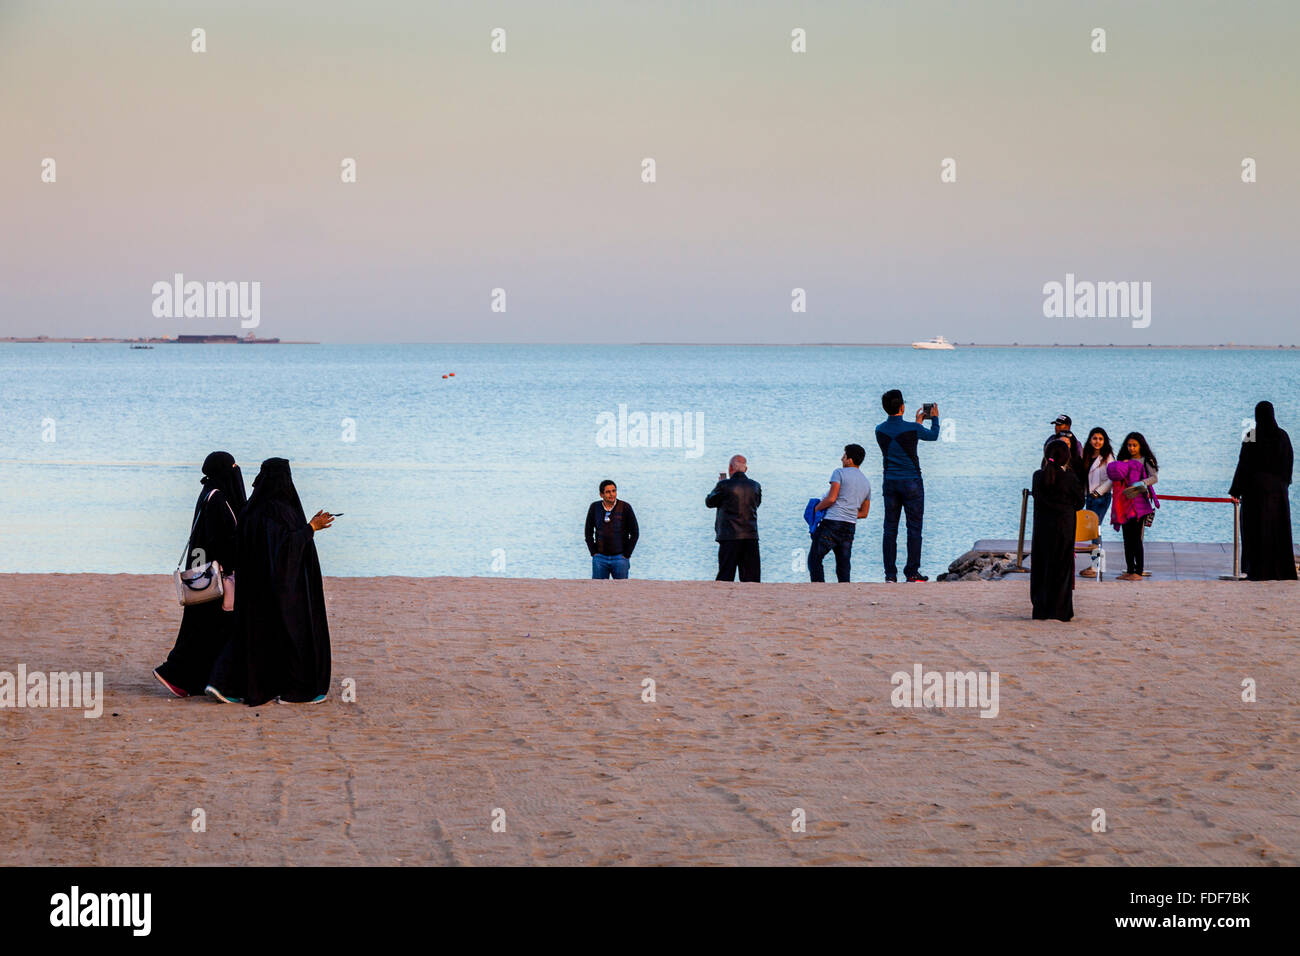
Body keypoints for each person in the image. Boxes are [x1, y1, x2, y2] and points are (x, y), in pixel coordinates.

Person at [205, 458, 335, 705]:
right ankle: (291, 691)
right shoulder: (279, 510)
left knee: (250, 637)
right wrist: (311, 529)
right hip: (277, 591)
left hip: (252, 587)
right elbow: (284, 548)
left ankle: (223, 684)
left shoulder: (251, 508)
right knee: (289, 635)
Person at [153, 452, 247, 697]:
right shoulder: (217, 498)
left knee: (202, 628)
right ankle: (175, 675)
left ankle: (191, 680)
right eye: (233, 466)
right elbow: (222, 539)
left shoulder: (208, 493)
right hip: (215, 577)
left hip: (203, 573)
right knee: (207, 630)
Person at [875, 390, 939, 582]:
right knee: (914, 528)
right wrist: (934, 419)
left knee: (890, 529)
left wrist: (915, 425)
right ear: (902, 407)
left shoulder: (879, 429)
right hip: (911, 483)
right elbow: (933, 435)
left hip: (891, 483)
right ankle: (912, 572)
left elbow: (900, 440)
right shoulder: (913, 429)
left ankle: (890, 575)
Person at [1229, 401, 1296, 581]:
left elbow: (1244, 464)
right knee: (1278, 530)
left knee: (1255, 530)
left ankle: (1257, 569)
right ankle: (1280, 570)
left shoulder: (1252, 435)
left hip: (1255, 491)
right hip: (1278, 492)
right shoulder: (1283, 436)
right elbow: (1289, 461)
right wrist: (1283, 484)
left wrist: (1236, 489)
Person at [1031, 440, 1084, 620]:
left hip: (1042, 528)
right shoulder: (1070, 477)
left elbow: (1038, 499)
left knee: (1042, 566)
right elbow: (1080, 503)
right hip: (1064, 527)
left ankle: (1041, 609)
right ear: (1067, 457)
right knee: (1062, 568)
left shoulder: (1038, 476)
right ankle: (1061, 610)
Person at [808, 444, 872, 582]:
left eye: (843, 456)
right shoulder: (866, 482)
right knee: (843, 564)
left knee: (814, 558)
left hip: (832, 523)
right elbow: (864, 513)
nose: (841, 459)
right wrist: (848, 513)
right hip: (850, 526)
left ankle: (818, 587)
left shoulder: (839, 473)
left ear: (850, 459)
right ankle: (845, 589)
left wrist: (815, 509)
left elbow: (831, 498)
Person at [1107, 434, 1159, 581]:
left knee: (1136, 539)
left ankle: (1139, 571)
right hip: (1124, 503)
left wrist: (1141, 483)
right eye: (1129, 445)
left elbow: (1154, 477)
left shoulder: (1146, 460)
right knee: (1127, 538)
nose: (1131, 448)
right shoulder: (1124, 459)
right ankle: (1130, 569)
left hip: (1139, 505)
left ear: (1141, 446)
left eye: (1134, 445)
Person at [706, 455, 761, 582]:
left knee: (726, 575)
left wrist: (719, 484)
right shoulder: (755, 486)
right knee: (751, 579)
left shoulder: (724, 485)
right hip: (750, 535)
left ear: (730, 468)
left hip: (729, 536)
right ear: (745, 469)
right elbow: (756, 504)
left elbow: (709, 502)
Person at [1078, 427, 1115, 578]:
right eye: (1094, 438)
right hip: (1088, 496)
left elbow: (1112, 478)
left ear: (1104, 440)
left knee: (1096, 530)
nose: (1097, 442)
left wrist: (1099, 491)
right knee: (1092, 530)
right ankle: (1096, 564)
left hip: (1101, 497)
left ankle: (1098, 565)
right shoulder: (1085, 455)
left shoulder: (1108, 457)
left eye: (1100, 439)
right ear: (1090, 439)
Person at [585, 480, 640, 579]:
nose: (611, 494)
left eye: (614, 491)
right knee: (598, 589)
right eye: (608, 492)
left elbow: (635, 533)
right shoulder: (595, 507)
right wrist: (594, 552)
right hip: (600, 558)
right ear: (601, 494)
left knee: (621, 590)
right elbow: (588, 532)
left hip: (620, 558)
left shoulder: (625, 507)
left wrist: (627, 554)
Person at [1044, 414, 1087, 483]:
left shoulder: (1076, 443)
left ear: (1068, 426)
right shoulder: (1050, 439)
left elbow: (1078, 460)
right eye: (1055, 425)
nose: (1056, 427)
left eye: (1059, 425)